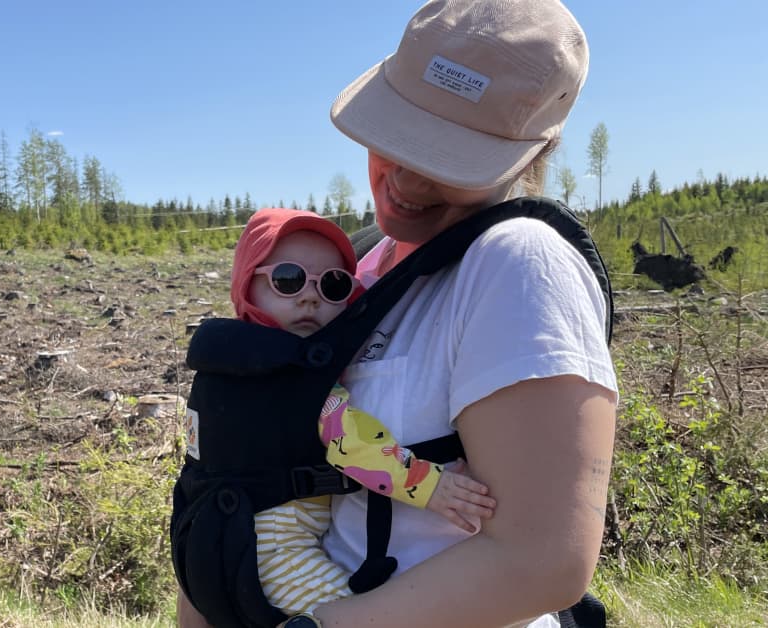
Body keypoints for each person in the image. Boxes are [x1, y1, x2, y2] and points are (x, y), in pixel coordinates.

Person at [179, 0, 617, 626]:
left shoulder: (517, 266)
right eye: (397, 138)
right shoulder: (353, 273)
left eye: (448, 159)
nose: (406, 183)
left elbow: (544, 559)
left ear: (530, 153)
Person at [230, 207, 497, 616]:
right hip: (279, 550)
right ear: (247, 288)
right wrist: (431, 487)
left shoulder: (240, 363)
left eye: (333, 286)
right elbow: (352, 445)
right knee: (358, 616)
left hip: (261, 539)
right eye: (288, 279)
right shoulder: (291, 377)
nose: (309, 296)